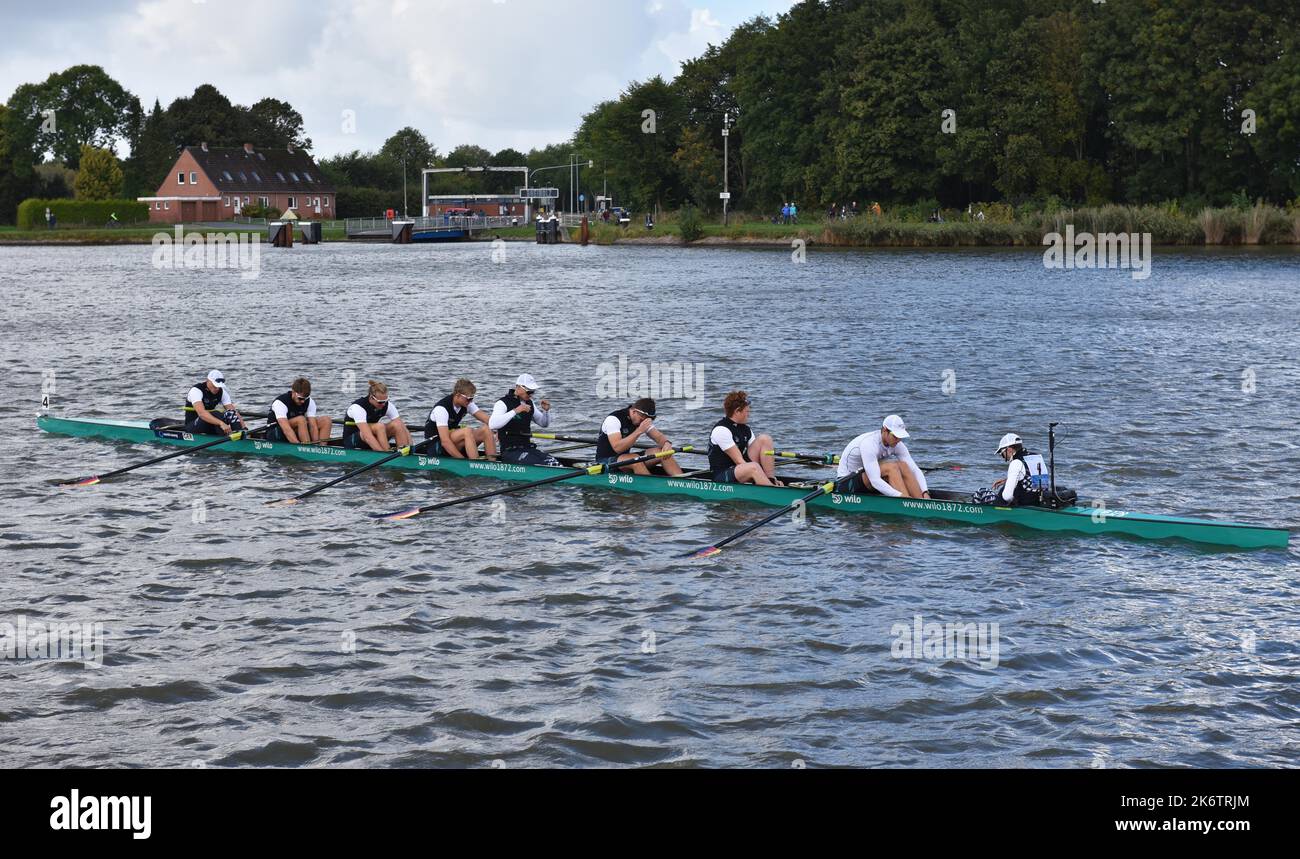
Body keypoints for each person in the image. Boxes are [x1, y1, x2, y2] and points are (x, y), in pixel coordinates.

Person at [834, 415, 931, 499]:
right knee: (891, 468)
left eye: (901, 437)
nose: (898, 440)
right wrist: (899, 496)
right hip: (846, 483)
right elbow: (875, 481)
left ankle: (922, 502)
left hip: (867, 480)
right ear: (885, 430)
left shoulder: (897, 444)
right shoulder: (869, 444)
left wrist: (925, 492)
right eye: (896, 436)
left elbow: (914, 470)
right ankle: (906, 502)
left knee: (903, 465)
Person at [706, 391, 780, 486]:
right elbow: (739, 461)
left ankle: (771, 480)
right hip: (722, 475)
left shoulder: (746, 429)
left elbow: (758, 457)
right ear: (737, 411)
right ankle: (772, 491)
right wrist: (754, 470)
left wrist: (768, 476)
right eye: (747, 411)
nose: (749, 415)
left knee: (765, 439)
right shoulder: (721, 430)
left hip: (740, 470)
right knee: (754, 467)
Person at [595, 397, 683, 476]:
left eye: (645, 420)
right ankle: (651, 488)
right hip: (606, 461)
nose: (642, 423)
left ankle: (681, 482)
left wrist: (666, 443)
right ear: (634, 411)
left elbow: (658, 437)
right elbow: (618, 448)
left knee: (662, 452)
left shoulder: (641, 419)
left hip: (624, 459)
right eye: (641, 420)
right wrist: (639, 431)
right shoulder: (614, 419)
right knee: (635, 460)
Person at [489, 374, 558, 466]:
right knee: (543, 464)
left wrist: (546, 411)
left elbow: (543, 424)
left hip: (527, 448)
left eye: (533, 392)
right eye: (529, 392)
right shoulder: (502, 403)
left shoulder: (530, 403)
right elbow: (492, 424)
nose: (531, 395)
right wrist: (516, 410)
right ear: (518, 387)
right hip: (509, 451)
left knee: (553, 462)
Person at [424, 378, 496, 459]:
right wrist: (462, 461)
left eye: (472, 398)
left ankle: (492, 464)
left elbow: (489, 420)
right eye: (468, 398)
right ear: (457, 395)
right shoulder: (441, 409)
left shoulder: (467, 403)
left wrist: (502, 429)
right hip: (436, 446)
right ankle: (474, 464)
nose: (470, 401)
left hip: (452, 442)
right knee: (467, 431)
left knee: (486, 429)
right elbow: (445, 441)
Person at [973, 434, 1051, 506]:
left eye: (1002, 453)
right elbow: (1033, 478)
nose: (1003, 457)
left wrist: (1011, 500)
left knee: (980, 492)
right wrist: (1007, 480)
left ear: (1009, 449)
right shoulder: (1036, 457)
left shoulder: (1016, 463)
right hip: (1037, 502)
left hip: (1020, 506)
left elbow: (1007, 497)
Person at [343, 380, 411, 451]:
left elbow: (403, 428)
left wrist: (411, 447)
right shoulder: (358, 407)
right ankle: (386, 452)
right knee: (379, 426)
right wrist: (383, 454)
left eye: (386, 400)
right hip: (353, 440)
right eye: (380, 402)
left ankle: (404, 452)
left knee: (398, 424)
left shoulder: (386, 405)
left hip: (372, 437)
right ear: (371, 397)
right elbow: (367, 436)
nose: (384, 404)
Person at [265, 377, 331, 444]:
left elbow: (313, 426)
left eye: (305, 399)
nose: (303, 401)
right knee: (301, 420)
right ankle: (306, 447)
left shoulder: (309, 402)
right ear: (293, 392)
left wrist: (316, 445)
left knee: (326, 420)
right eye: (300, 398)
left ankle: (321, 448)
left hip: (295, 429)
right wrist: (297, 446)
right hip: (276, 432)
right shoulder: (280, 403)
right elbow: (286, 429)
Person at [184, 370, 246, 436]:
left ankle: (239, 435)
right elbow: (202, 414)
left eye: (219, 386)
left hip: (210, 424)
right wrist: (221, 423)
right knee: (216, 413)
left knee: (231, 413)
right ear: (208, 380)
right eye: (215, 385)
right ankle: (227, 438)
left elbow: (233, 411)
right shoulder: (196, 390)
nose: (217, 388)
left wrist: (244, 427)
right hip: (193, 425)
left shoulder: (222, 392)